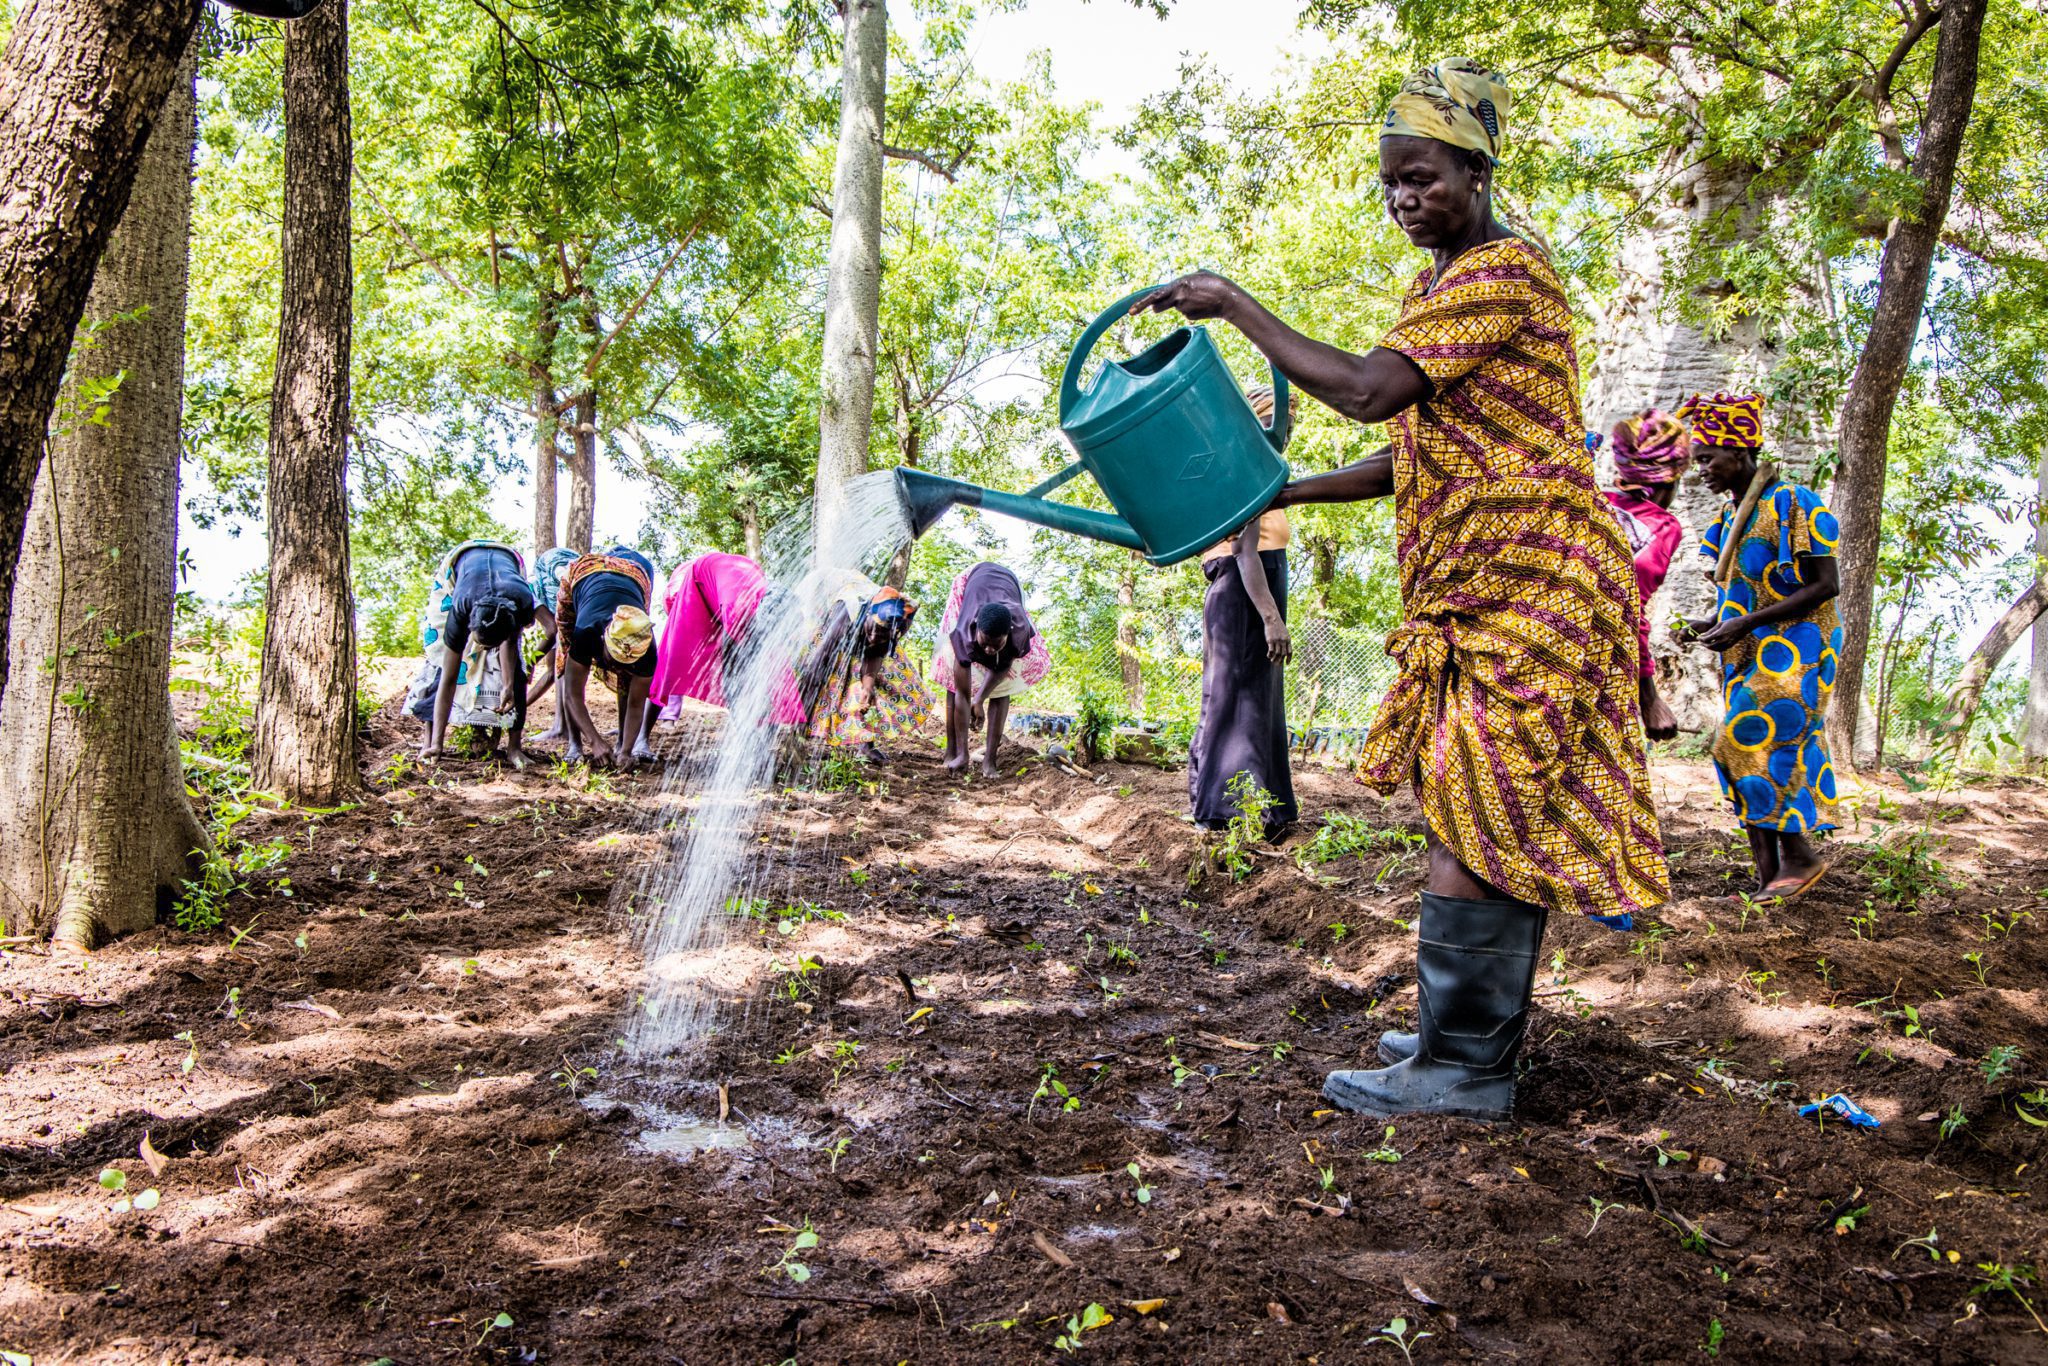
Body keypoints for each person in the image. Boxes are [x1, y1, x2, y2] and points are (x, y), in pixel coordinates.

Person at [1133, 57, 1668, 1122]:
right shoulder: (1439, 290)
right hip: (1484, 589)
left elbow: (1369, 393)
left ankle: (1464, 1066)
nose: (1402, 198)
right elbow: (1409, 453)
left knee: (1476, 800)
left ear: (1475, 170)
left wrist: (1234, 302)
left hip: (1537, 588)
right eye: (1389, 183)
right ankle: (1457, 1035)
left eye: (1421, 176)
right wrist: (1279, 487)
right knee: (1471, 794)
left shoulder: (1500, 276)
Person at [1675, 392, 1841, 902]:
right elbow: (1739, 596)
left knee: (1743, 741)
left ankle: (1802, 858)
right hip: (1748, 653)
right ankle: (1769, 879)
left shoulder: (1793, 501)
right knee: (1737, 752)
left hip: (1801, 648)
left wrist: (1745, 623)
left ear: (1740, 452)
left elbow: (1825, 584)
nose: (1700, 470)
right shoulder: (1727, 522)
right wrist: (1711, 624)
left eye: (1707, 458)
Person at [1190, 385, 1297, 837]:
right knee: (1237, 700)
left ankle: (1253, 807)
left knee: (1250, 699)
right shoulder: (1251, 465)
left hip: (1249, 588)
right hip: (1246, 591)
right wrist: (1272, 619)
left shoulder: (1254, 464)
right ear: (1261, 420)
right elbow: (1245, 551)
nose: (1290, 429)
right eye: (1284, 419)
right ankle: (1224, 811)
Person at [409, 539, 538, 768]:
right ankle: (431, 741)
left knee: (517, 671)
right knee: (440, 661)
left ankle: (514, 747)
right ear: (469, 625)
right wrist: (440, 743)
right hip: (460, 561)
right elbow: (449, 678)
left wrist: (508, 685)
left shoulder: (521, 600)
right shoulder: (460, 607)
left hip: (509, 561)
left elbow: (510, 642)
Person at [1601, 410, 1689, 743]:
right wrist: (1649, 699)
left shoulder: (1596, 503)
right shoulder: (1661, 527)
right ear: (1672, 480)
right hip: (1602, 659)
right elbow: (1629, 610)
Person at [798, 571, 935, 762]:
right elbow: (817, 667)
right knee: (821, 673)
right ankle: (800, 730)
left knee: (874, 682)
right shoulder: (842, 618)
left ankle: (865, 744)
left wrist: (867, 686)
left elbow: (876, 652)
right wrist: (799, 719)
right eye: (874, 632)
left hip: (859, 614)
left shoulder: (897, 619)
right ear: (868, 618)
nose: (875, 638)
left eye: (882, 636)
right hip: (820, 599)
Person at [930, 561, 1049, 777]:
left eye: (996, 645)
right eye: (984, 643)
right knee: (953, 680)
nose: (988, 650)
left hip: (1008, 582)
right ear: (976, 628)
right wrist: (965, 753)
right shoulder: (964, 633)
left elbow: (1002, 668)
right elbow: (963, 695)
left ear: (1008, 634)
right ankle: (954, 752)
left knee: (1004, 688)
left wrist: (980, 699)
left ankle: (990, 762)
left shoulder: (1019, 632)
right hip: (972, 579)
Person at [554, 546, 659, 771]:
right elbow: (573, 695)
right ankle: (574, 745)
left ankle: (623, 743)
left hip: (634, 576)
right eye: (614, 661)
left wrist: (627, 751)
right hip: (584, 573)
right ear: (604, 641)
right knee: (565, 659)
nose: (616, 668)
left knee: (627, 683)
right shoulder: (585, 633)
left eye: (625, 664)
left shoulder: (646, 648)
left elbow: (636, 703)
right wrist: (595, 741)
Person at [651, 552, 770, 715]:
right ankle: (652, 726)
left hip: (728, 582)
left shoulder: (747, 599)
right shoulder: (680, 594)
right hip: (696, 586)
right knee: (673, 659)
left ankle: (750, 726)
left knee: (744, 665)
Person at [524, 546, 579, 743]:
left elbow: (553, 630)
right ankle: (561, 726)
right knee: (558, 665)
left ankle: (561, 727)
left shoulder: (529, 592)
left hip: (564, 571)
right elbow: (550, 673)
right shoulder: (546, 601)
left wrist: (530, 661)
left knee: (562, 662)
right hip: (579, 576)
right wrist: (518, 707)